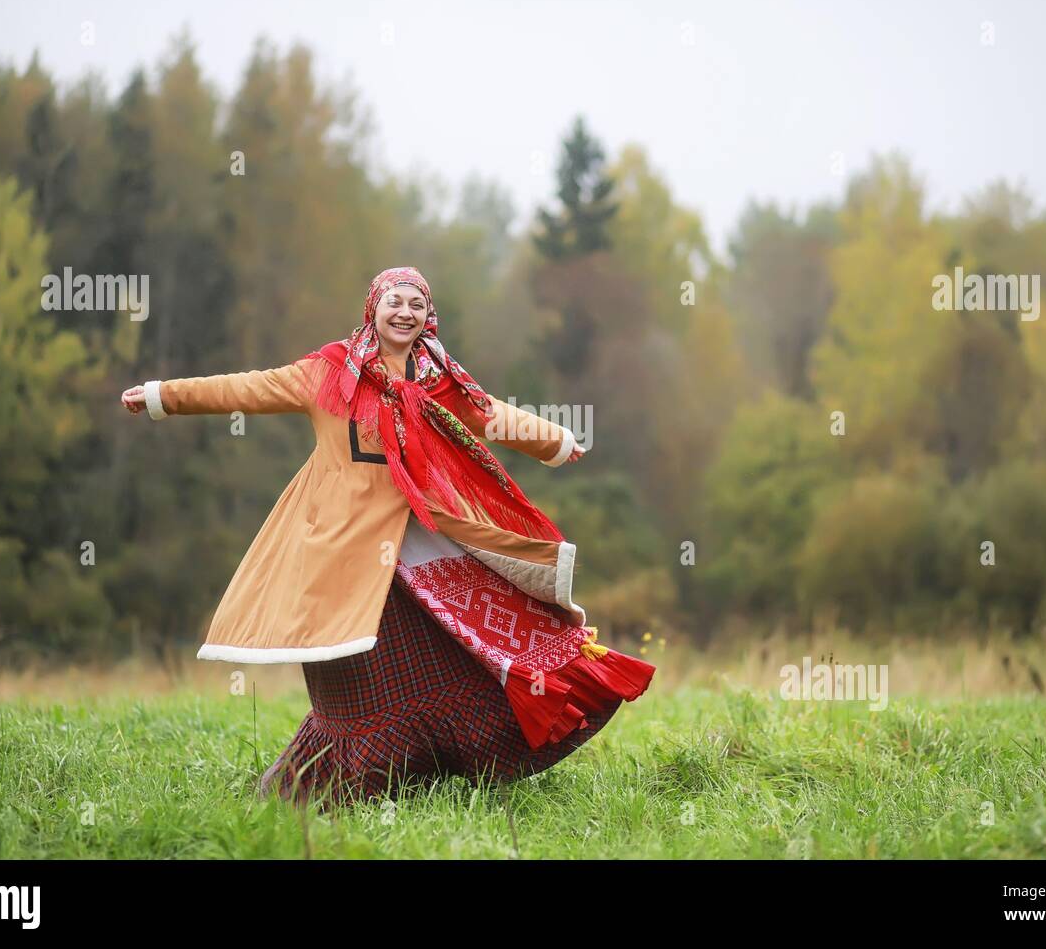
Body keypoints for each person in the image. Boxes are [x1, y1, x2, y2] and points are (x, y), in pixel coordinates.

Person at [120, 266, 655, 808]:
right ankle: (322, 792)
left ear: (428, 317)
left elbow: (487, 416)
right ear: (372, 308)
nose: (405, 313)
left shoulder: (438, 377)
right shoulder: (327, 373)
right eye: (394, 302)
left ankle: (445, 768)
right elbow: (247, 388)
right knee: (360, 679)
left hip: (418, 546)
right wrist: (164, 395)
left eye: (416, 305)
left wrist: (556, 441)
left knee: (453, 652)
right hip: (344, 549)